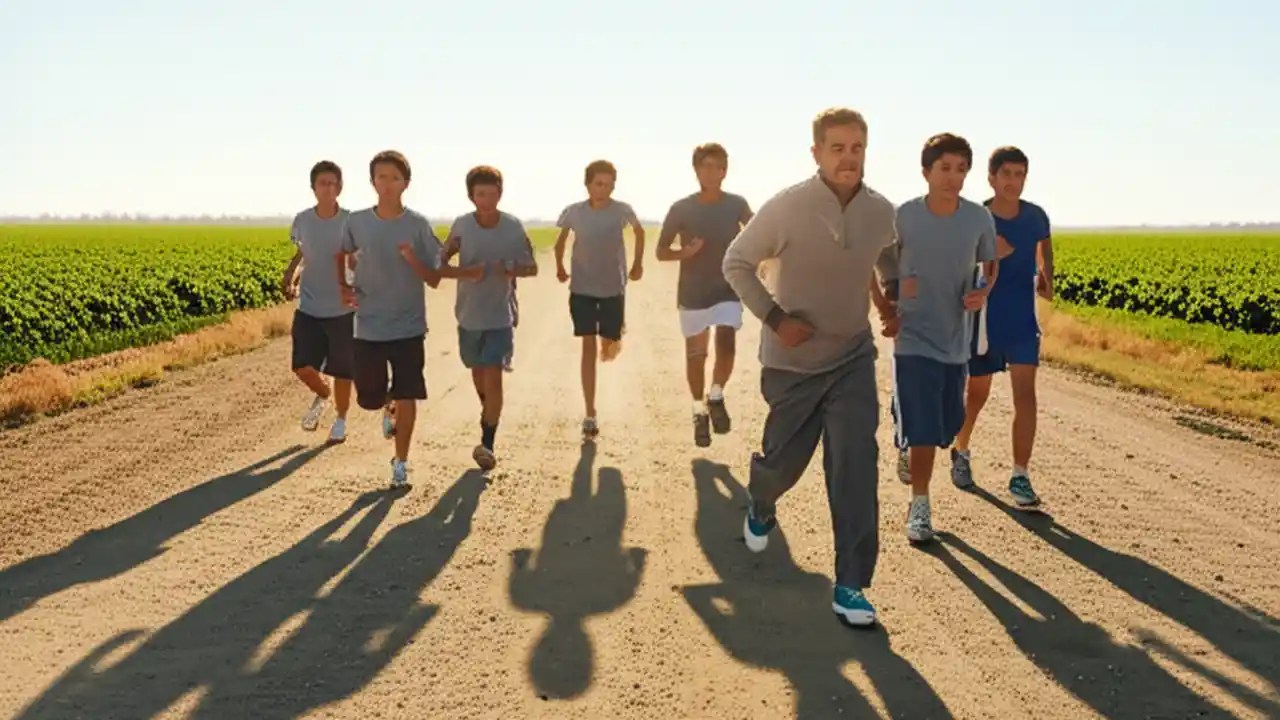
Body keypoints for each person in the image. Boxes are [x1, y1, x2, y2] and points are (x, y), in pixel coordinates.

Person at [722, 107, 897, 628]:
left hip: (851, 358)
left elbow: (889, 256)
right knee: (783, 465)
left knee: (854, 465)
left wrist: (891, 302)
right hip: (792, 363)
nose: (849, 158)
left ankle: (851, 585)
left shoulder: (882, 211)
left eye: (858, 148)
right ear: (817, 152)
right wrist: (775, 318)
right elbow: (735, 261)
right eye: (838, 147)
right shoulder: (788, 207)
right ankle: (761, 499)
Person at [874, 133, 998, 544]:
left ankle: (905, 432)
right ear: (926, 171)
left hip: (954, 338)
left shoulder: (978, 219)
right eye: (944, 168)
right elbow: (878, 261)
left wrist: (983, 292)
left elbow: (989, 266)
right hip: (911, 335)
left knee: (948, 422)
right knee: (926, 426)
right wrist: (889, 304)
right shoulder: (903, 217)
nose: (953, 177)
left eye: (961, 169)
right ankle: (920, 505)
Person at [336, 150, 483, 488]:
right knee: (369, 397)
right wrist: (344, 286)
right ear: (372, 181)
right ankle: (387, 406)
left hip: (408, 325)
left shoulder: (417, 225)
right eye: (381, 177)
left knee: (409, 392)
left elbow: (433, 276)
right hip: (368, 323)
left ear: (406, 183)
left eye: (394, 178)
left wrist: (425, 261)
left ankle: (400, 463)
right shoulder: (356, 221)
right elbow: (342, 255)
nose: (387, 184)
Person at [949, 146, 1052, 510]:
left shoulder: (1036, 215)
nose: (1013, 181)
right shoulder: (976, 217)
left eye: (1020, 174)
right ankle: (960, 449)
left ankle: (1020, 475)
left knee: (1026, 396)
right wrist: (991, 251)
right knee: (976, 395)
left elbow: (1044, 246)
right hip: (984, 323)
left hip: (1023, 321)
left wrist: (1046, 278)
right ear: (991, 178)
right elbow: (958, 260)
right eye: (1006, 174)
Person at [656, 143, 754, 447]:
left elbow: (756, 233)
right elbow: (661, 251)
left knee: (726, 343)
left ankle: (716, 395)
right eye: (706, 166)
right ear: (696, 170)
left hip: (727, 287)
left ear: (725, 171)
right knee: (696, 355)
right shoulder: (681, 208)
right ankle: (698, 410)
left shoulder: (736, 204)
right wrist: (684, 252)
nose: (712, 173)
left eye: (718, 167)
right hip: (693, 291)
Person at [441, 165, 537, 471]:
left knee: (493, 375)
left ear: (500, 193)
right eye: (480, 194)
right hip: (468, 315)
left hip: (500, 316)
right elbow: (440, 264)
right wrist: (465, 271)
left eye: (491, 193)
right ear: (471, 196)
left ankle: (488, 442)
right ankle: (489, 412)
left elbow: (532, 266)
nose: (486, 199)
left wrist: (512, 267)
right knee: (478, 374)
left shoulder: (513, 227)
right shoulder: (461, 227)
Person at [553, 159, 646, 439]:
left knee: (610, 343)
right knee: (588, 346)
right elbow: (561, 241)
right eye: (598, 184)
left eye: (608, 184)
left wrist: (637, 263)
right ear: (588, 184)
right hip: (581, 288)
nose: (603, 189)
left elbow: (639, 232)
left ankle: (615, 334)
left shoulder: (621, 210)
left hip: (612, 287)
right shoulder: (574, 212)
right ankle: (590, 413)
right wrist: (559, 266)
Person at [281, 160, 355, 444]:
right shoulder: (303, 220)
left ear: (340, 187)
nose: (328, 188)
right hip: (310, 306)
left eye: (333, 183)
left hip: (343, 308)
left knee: (344, 369)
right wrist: (292, 276)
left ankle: (341, 420)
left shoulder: (352, 221)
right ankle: (323, 394)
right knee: (301, 365)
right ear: (313, 187)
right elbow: (302, 255)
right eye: (323, 183)